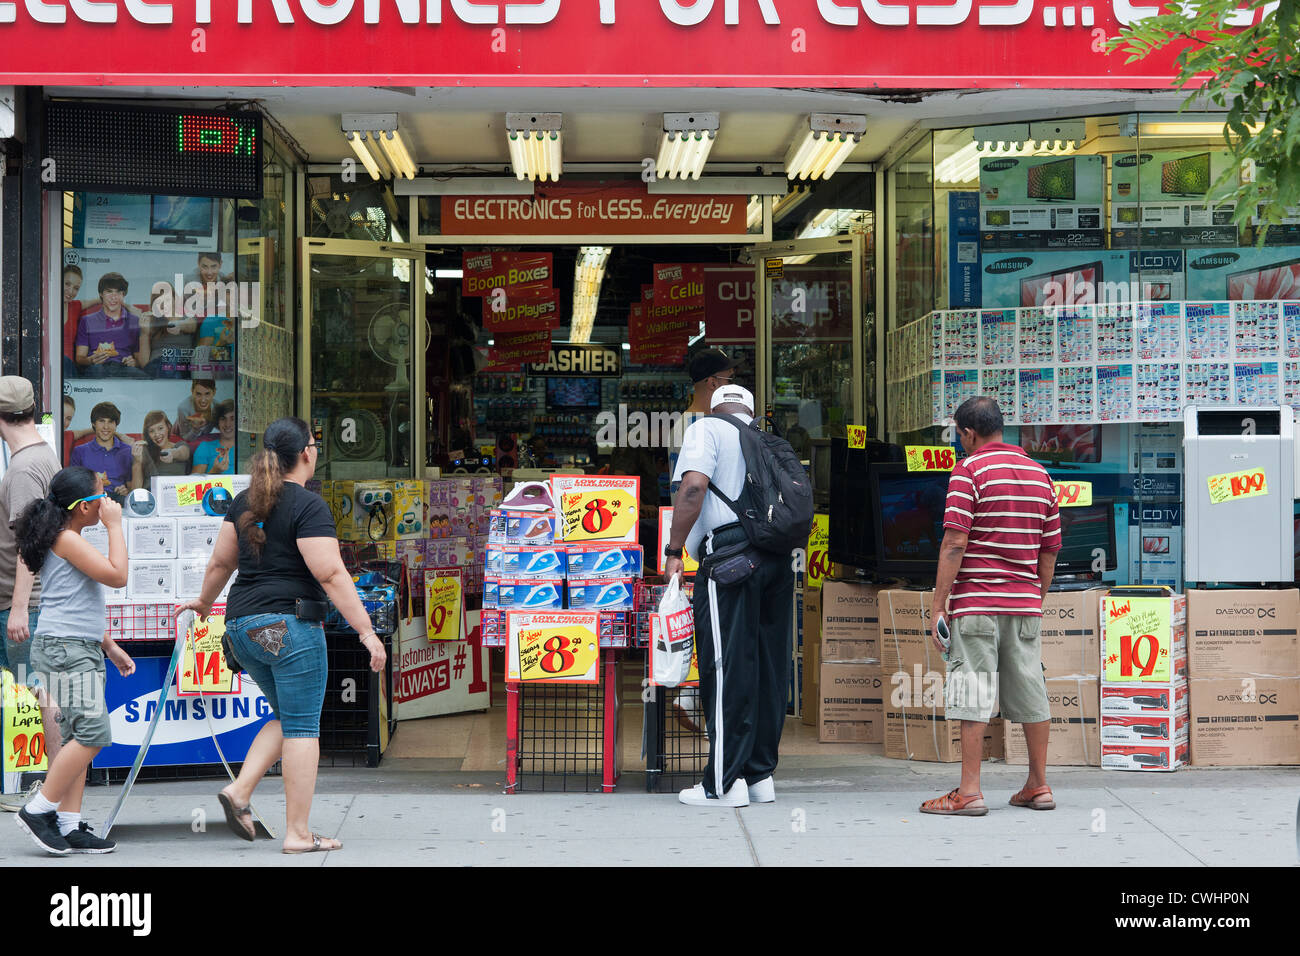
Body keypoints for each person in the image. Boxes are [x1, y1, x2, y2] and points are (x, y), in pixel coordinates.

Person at [175, 417, 386, 854]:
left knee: (289, 717)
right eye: (315, 443)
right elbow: (329, 573)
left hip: (242, 629)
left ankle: (239, 792)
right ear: (307, 453)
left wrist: (203, 603)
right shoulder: (308, 506)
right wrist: (367, 632)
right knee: (305, 726)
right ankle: (298, 834)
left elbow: (220, 565)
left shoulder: (243, 502)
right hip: (289, 627)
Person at [921, 396, 1061, 817]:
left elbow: (955, 542)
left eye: (959, 435)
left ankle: (968, 792)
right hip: (1024, 606)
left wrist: (938, 606)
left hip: (977, 605)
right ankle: (1038, 785)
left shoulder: (968, 471)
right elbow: (1051, 549)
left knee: (972, 693)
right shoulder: (1040, 475)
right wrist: (1035, 598)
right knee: (1031, 691)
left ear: (967, 432)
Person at [663, 384, 796, 808]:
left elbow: (692, 489)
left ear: (712, 405)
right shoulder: (768, 440)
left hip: (731, 561)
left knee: (725, 668)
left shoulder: (707, 430)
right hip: (776, 560)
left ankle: (721, 784)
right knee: (768, 667)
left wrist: (673, 551)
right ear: (750, 410)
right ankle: (759, 777)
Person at [13, 467, 134, 855]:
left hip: (75, 646)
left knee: (77, 736)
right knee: (93, 734)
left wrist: (109, 646)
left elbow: (74, 604)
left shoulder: (68, 537)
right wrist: (116, 526)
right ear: (84, 507)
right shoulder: (67, 540)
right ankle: (38, 809)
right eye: (101, 496)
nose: (107, 502)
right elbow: (117, 576)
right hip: (65, 650)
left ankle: (68, 823)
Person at [665, 347, 740, 734]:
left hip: (691, 535)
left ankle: (696, 696)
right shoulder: (700, 426)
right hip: (701, 538)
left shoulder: (686, 422)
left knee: (697, 619)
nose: (733, 388)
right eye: (729, 381)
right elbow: (691, 489)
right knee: (706, 621)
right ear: (713, 383)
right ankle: (694, 696)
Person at [0, 378, 63, 813]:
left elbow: (29, 542)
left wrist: (19, 607)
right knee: (36, 689)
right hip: (23, 600)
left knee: (41, 691)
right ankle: (51, 791)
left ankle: (57, 793)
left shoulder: (23, 468)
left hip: (22, 601)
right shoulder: (41, 454)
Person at [73, 273, 149, 379]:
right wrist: (90, 360)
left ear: (123, 295)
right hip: (97, 367)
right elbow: (80, 357)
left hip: (125, 368)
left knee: (145, 379)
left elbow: (139, 360)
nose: (114, 297)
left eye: (118, 292)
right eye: (109, 292)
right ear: (101, 295)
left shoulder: (134, 321)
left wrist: (134, 362)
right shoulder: (86, 321)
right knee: (95, 371)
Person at [69, 402, 134, 500]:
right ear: (93, 424)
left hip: (120, 503)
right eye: (101, 421)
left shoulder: (127, 451)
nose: (106, 427)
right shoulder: (79, 452)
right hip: (90, 503)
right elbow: (74, 487)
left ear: (116, 425)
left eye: (110, 422)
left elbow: (133, 488)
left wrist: (126, 491)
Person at [130, 410, 191, 490]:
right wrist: (137, 462)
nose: (157, 434)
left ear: (168, 427)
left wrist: (172, 453)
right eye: (151, 431)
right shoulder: (144, 451)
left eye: (160, 428)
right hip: (151, 497)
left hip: (175, 495)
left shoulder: (179, 445)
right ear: (148, 434)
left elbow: (184, 453)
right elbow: (135, 491)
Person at [191, 400, 236, 475]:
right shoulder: (205, 447)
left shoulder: (246, 449)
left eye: (232, 419)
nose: (228, 424)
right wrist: (214, 471)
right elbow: (195, 485)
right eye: (223, 418)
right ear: (217, 421)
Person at [176, 379, 218, 445]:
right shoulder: (183, 408)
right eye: (198, 394)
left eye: (207, 394)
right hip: (180, 435)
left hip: (202, 440)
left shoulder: (217, 407)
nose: (203, 400)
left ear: (214, 392)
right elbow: (184, 438)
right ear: (192, 392)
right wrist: (196, 429)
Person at [61, 396, 93, 471]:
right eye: (61, 415)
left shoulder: (67, 435)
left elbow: (84, 432)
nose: (64, 421)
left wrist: (116, 434)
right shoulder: (43, 436)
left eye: (68, 418)